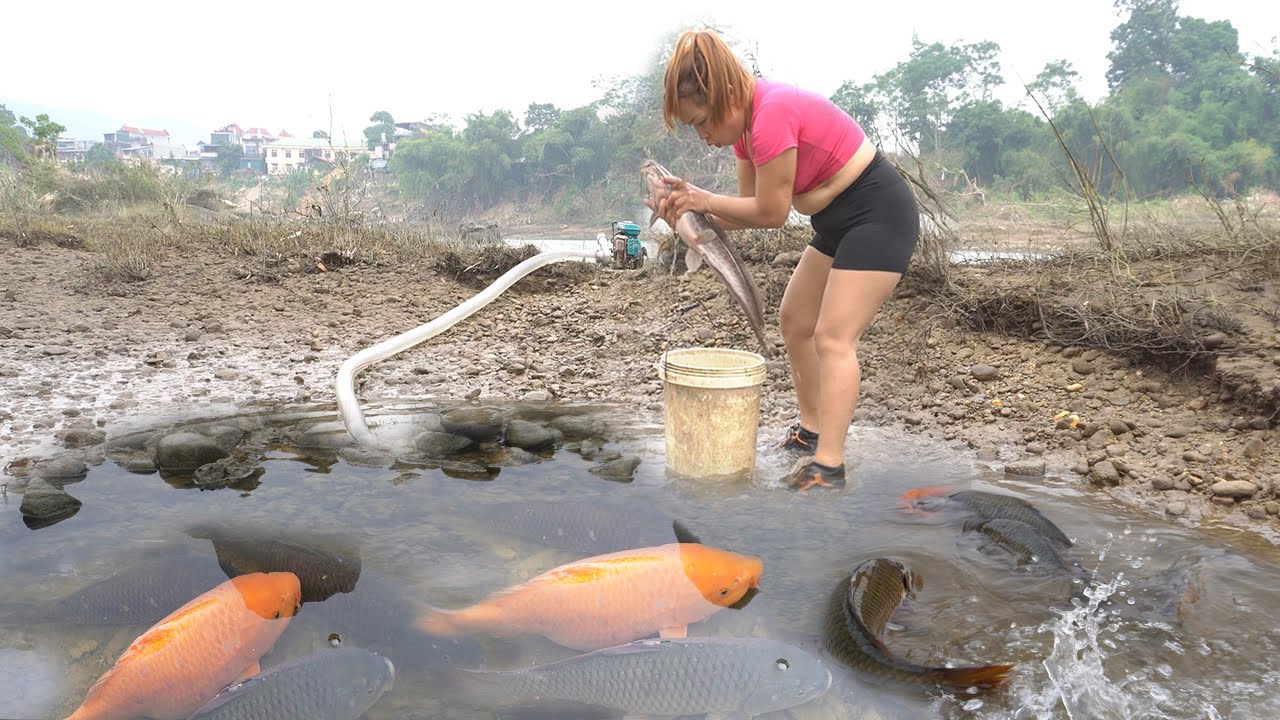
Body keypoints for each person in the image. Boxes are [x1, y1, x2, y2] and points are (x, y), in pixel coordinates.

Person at [650, 28, 920, 492]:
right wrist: (684, 209)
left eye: (702, 122)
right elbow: (745, 212)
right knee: (794, 320)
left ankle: (829, 466)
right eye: (695, 127)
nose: (704, 136)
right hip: (837, 221)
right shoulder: (745, 134)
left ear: (728, 96)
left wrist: (703, 198)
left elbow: (773, 214)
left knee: (834, 338)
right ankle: (811, 430)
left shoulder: (772, 113)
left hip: (877, 213)